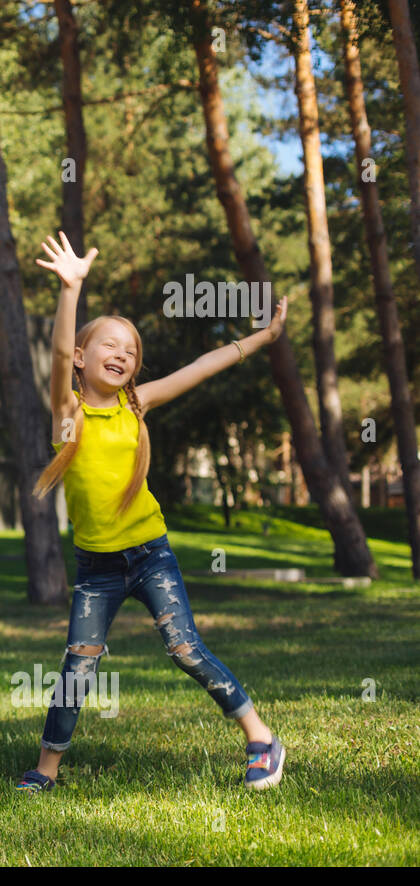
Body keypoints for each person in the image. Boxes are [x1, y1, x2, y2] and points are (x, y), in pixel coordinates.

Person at [17, 231, 289, 794]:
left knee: (186, 649)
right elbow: (52, 355)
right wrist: (70, 290)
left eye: (131, 350)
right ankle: (45, 772)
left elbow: (201, 367)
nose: (121, 354)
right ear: (79, 357)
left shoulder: (136, 404)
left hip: (150, 555)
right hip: (96, 567)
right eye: (108, 345)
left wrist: (260, 339)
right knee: (76, 669)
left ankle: (261, 738)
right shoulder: (68, 416)